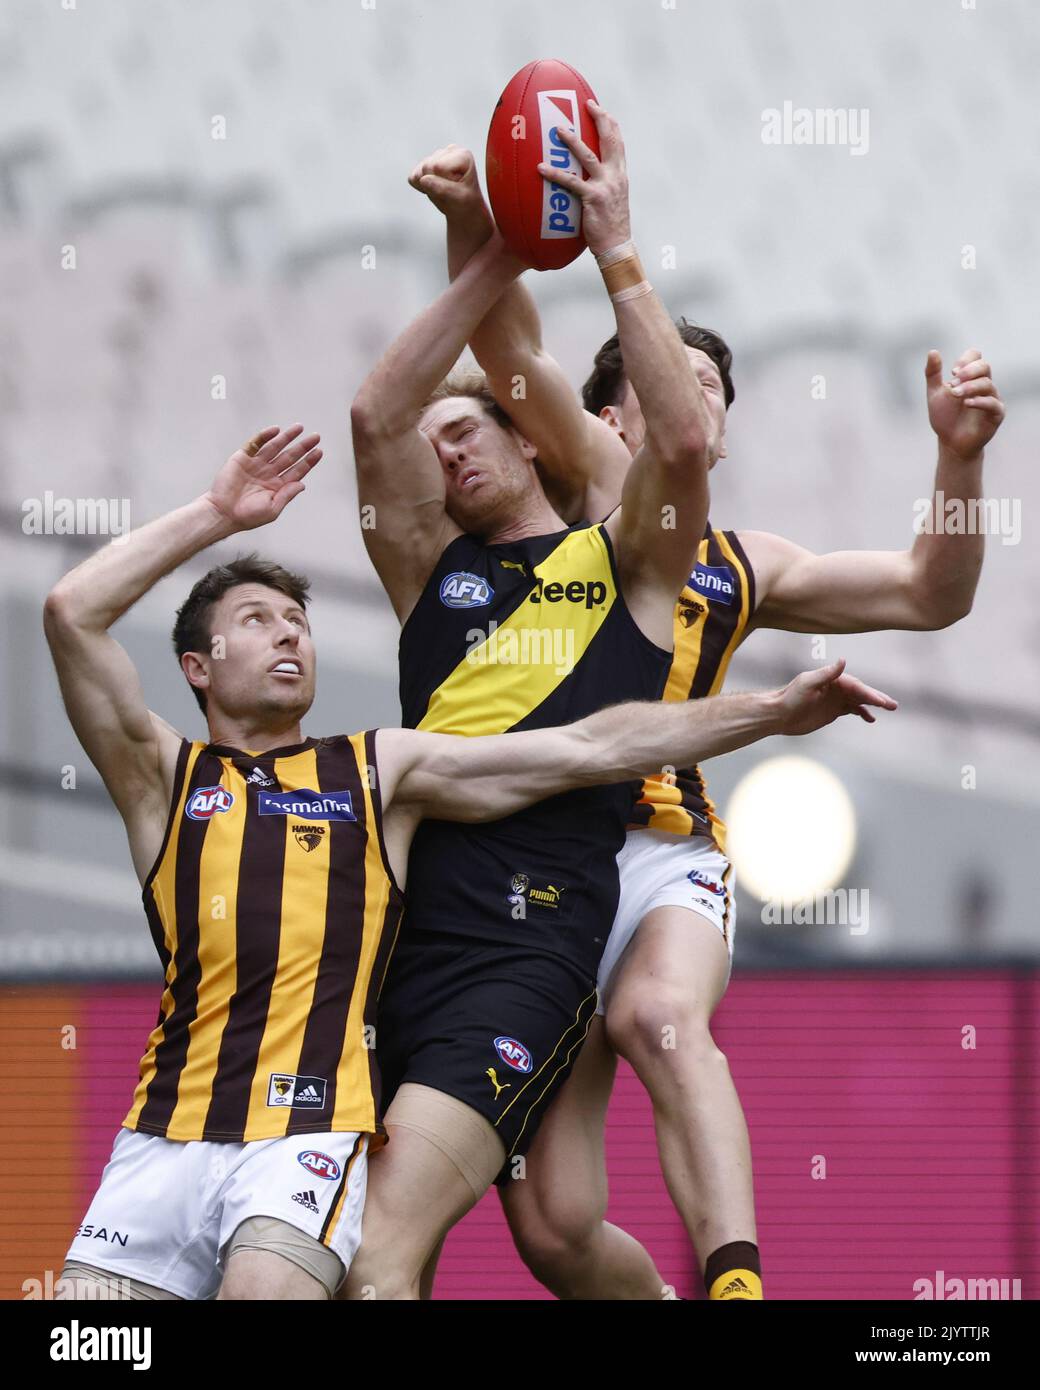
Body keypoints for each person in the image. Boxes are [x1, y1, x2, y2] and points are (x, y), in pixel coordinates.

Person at [44, 425, 894, 1301]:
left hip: (303, 1142)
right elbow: (72, 611)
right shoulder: (162, 779)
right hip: (158, 1139)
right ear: (197, 666)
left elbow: (585, 748)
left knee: (347, 1278)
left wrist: (768, 711)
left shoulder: (378, 772)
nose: (288, 634)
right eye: (256, 621)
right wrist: (217, 513)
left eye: (298, 618)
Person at [409, 137, 1006, 1299]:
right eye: (669, 380)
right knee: (555, 1226)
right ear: (610, 416)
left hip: (667, 849)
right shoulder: (587, 487)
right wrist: (473, 216)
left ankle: (738, 1282)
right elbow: (503, 346)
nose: (696, 402)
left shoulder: (748, 561)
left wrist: (957, 456)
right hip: (539, 860)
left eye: (714, 389)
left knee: (659, 1015)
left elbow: (931, 591)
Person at [345, 100, 722, 1298]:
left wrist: (610, 245)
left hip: (527, 932)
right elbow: (372, 415)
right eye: (440, 438)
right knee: (546, 1237)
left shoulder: (623, 563)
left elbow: (680, 440)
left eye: (477, 428)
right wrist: (491, 240)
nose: (448, 451)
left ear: (536, 439)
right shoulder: (427, 570)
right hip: (384, 934)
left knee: (380, 1255)